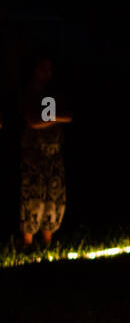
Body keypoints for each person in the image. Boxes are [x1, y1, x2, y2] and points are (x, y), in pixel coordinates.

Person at [19, 56, 71, 250]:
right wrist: (56, 118)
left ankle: (48, 242)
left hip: (54, 150)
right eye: (42, 68)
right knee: (33, 197)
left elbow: (62, 115)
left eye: (49, 69)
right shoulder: (29, 92)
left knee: (53, 197)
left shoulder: (52, 94)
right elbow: (34, 120)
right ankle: (27, 244)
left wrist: (54, 118)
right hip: (34, 152)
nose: (47, 73)